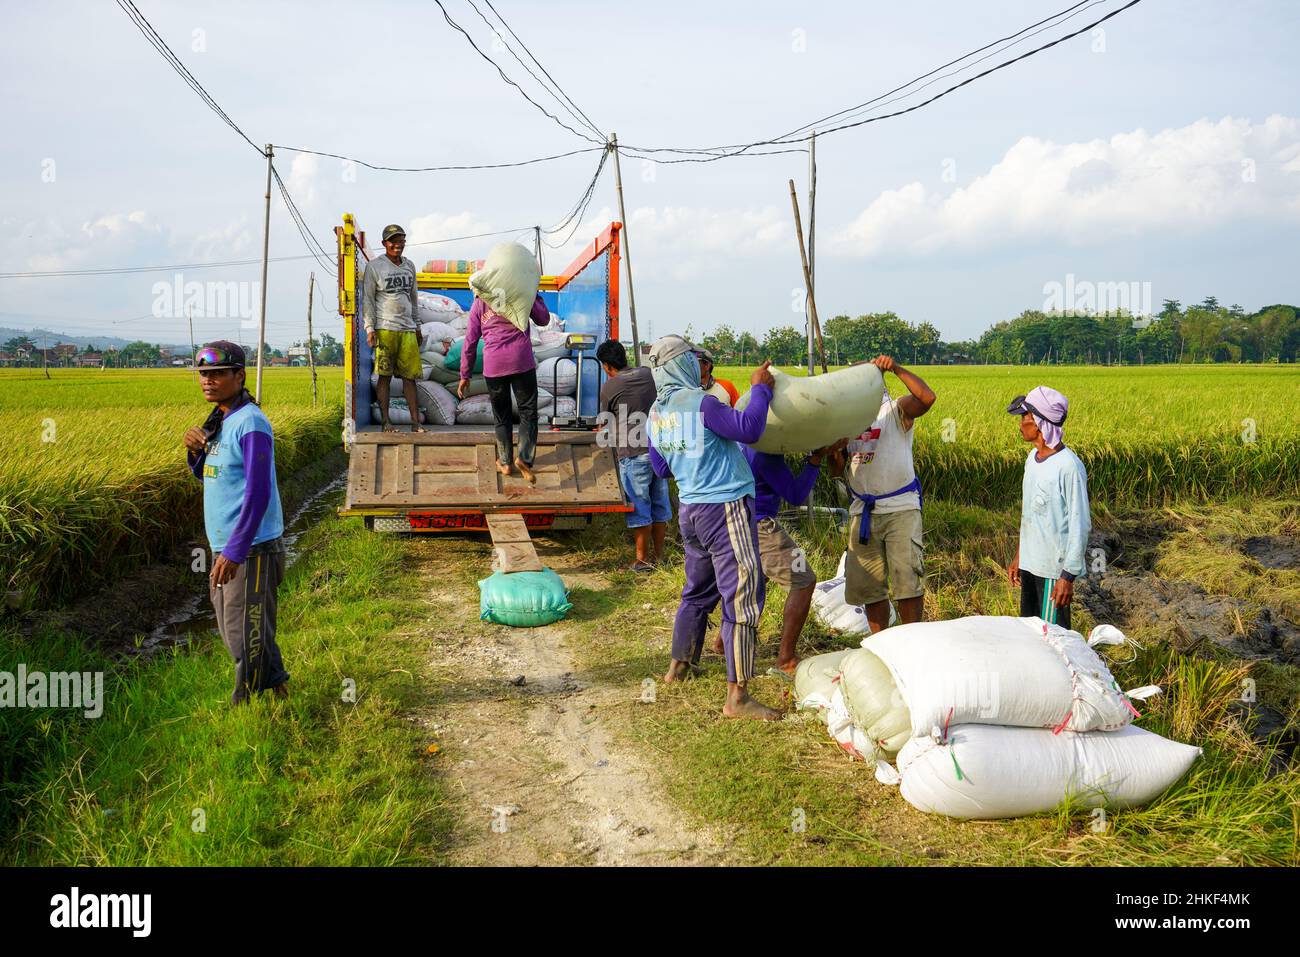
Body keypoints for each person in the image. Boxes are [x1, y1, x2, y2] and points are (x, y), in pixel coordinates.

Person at [647, 335, 780, 720]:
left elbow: (661, 468)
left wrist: (693, 462)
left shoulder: (657, 412)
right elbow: (750, 428)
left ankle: (678, 669)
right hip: (725, 509)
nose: (698, 365)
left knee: (697, 592)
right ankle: (737, 698)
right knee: (741, 596)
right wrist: (759, 390)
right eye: (693, 359)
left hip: (689, 510)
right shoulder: (703, 403)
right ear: (681, 364)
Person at [183, 341, 289, 705]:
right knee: (244, 630)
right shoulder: (221, 420)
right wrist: (193, 452)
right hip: (229, 546)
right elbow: (210, 477)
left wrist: (234, 552)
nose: (207, 381)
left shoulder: (251, 423)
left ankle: (247, 707)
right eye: (203, 375)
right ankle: (278, 691)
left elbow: (259, 493)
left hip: (251, 549)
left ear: (239, 376)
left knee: (244, 635)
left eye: (217, 374)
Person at [720, 440, 848, 673]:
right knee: (804, 580)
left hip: (735, 521)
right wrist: (815, 460)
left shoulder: (739, 442)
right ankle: (786, 658)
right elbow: (796, 495)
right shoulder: (766, 454)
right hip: (761, 526)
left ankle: (722, 642)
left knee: (751, 580)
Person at [841, 355, 936, 632]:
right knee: (870, 587)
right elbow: (839, 469)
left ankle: (910, 640)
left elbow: (927, 398)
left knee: (907, 582)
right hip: (863, 511)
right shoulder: (846, 422)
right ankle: (881, 643)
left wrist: (895, 368)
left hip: (900, 509)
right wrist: (831, 449)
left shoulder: (894, 410)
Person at [1006, 386, 1090, 629]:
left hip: (1053, 571)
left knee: (1053, 637)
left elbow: (1080, 524)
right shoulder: (1032, 460)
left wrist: (1068, 576)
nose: (1021, 424)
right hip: (1031, 565)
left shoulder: (1068, 467)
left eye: (1025, 418)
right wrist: (1020, 557)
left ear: (1041, 423)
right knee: (1031, 634)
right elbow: (1030, 516)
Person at [459, 281, 550, 483]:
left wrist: (465, 375)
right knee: (528, 412)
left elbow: (470, 342)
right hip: (521, 362)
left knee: (501, 416)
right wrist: (533, 292)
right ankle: (525, 459)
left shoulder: (480, 302)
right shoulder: (521, 291)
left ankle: (506, 462)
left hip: (494, 365)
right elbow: (543, 319)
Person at [597, 340, 669, 571]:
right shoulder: (648, 374)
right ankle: (659, 557)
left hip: (632, 452)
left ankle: (642, 560)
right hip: (658, 450)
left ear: (607, 366)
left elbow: (605, 420)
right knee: (659, 506)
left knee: (640, 506)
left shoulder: (610, 386)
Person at [362, 224, 425, 433]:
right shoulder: (375, 267)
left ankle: (416, 423)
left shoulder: (409, 266)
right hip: (385, 329)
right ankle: (386, 422)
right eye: (392, 241)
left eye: (400, 241)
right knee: (384, 376)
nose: (397, 245)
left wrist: (417, 326)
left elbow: (413, 298)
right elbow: (368, 300)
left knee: (410, 377)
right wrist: (370, 328)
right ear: (384, 244)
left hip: (407, 329)